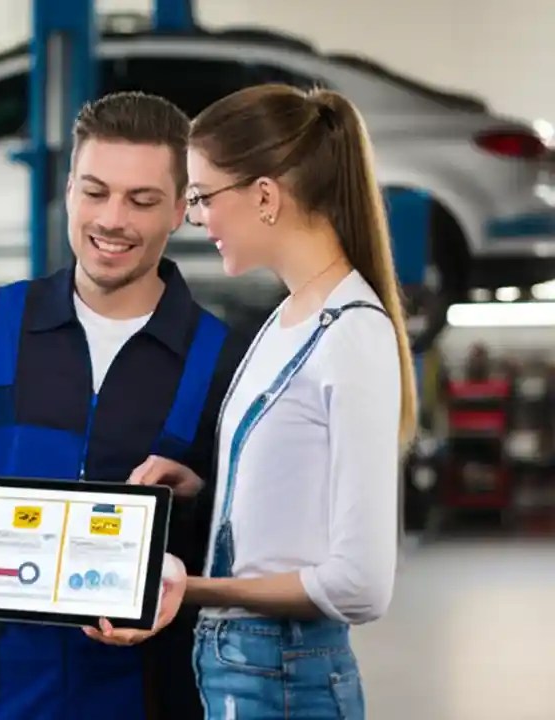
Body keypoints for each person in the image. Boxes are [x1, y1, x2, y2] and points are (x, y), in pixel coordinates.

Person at [0, 91, 249, 720]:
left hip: (154, 698)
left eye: (142, 200)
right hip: (3, 697)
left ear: (181, 208)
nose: (112, 219)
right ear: (69, 189)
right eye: (95, 191)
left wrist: (202, 499)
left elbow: (261, 541)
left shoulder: (222, 362)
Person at [177, 84, 415, 719]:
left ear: (263, 196)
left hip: (283, 677)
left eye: (201, 197)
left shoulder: (352, 333)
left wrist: (193, 590)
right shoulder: (291, 318)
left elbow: (361, 584)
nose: (196, 217)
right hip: (242, 668)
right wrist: (205, 486)